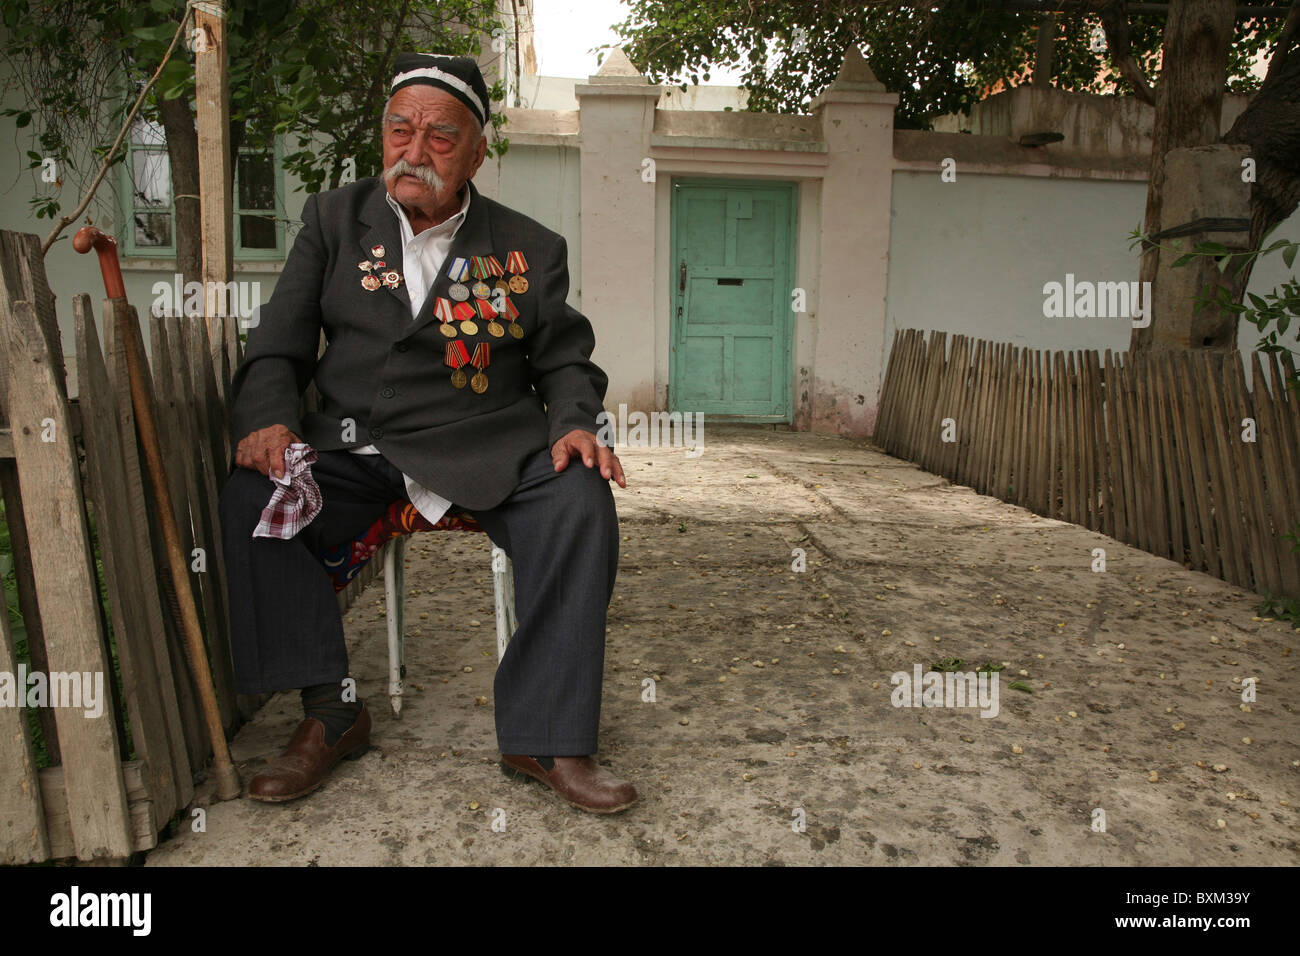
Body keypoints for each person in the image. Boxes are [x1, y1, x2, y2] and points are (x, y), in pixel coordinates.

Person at [218, 52, 636, 813]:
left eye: (440, 137)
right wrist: (270, 418)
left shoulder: (530, 250)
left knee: (581, 499)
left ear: (478, 152)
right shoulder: (332, 221)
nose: (414, 151)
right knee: (254, 497)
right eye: (399, 130)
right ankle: (331, 712)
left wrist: (576, 424)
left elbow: (567, 361)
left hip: (485, 447)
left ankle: (546, 736)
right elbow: (277, 342)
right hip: (353, 448)